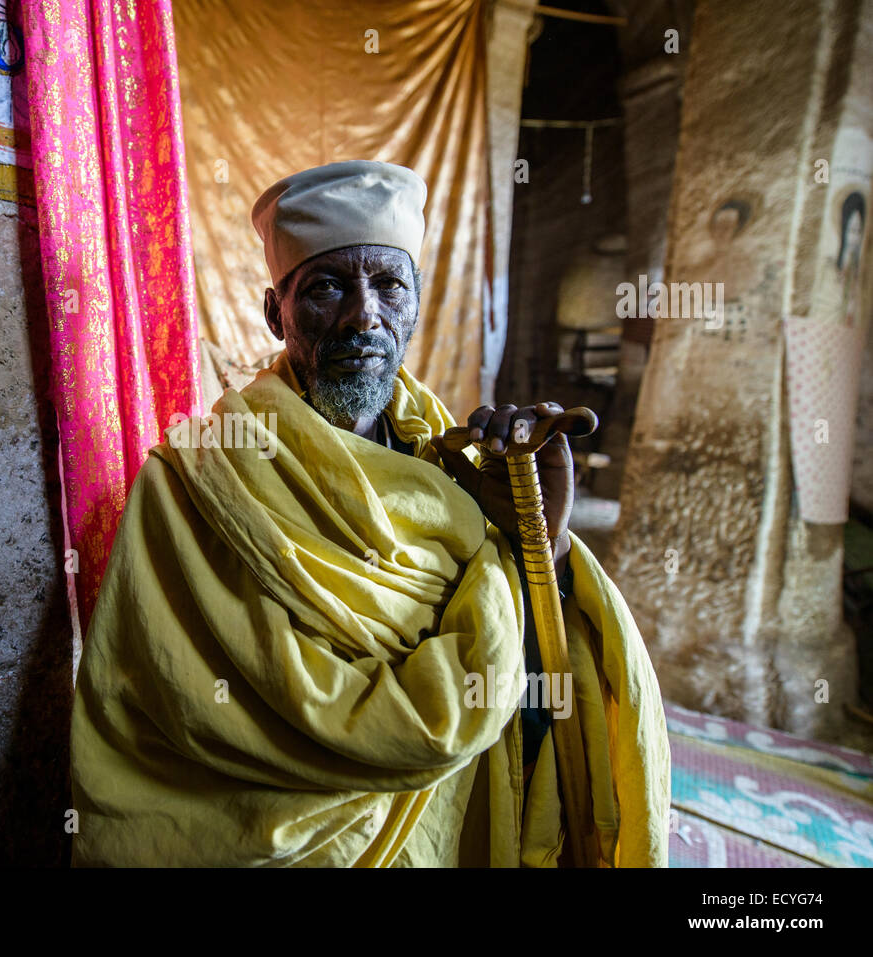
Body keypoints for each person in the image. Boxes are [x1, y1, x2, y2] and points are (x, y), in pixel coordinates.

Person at [69, 160, 670, 867]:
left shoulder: (457, 465)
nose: (364, 316)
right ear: (276, 313)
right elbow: (180, 718)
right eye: (326, 287)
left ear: (415, 302)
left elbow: (538, 691)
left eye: (389, 284)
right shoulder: (190, 488)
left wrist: (544, 541)